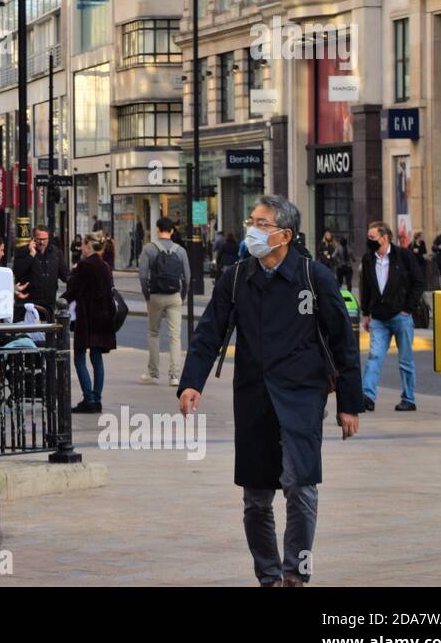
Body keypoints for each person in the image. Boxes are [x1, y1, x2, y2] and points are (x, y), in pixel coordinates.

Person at [178, 195, 363, 587]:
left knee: (300, 487)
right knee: (256, 499)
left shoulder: (315, 277)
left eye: (262, 224)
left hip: (302, 397)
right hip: (254, 398)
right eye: (252, 221)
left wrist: (350, 404)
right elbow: (209, 331)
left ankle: (296, 573)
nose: (253, 229)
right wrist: (191, 382)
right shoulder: (237, 276)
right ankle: (268, 575)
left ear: (285, 235)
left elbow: (343, 343)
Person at [359, 221, 424, 412]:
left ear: (384, 238)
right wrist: (366, 313)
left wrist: (408, 308)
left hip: (400, 316)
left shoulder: (403, 256)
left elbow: (419, 282)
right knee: (374, 356)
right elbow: (366, 287)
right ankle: (367, 396)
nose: (369, 241)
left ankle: (409, 398)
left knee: (405, 359)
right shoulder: (368, 258)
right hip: (378, 317)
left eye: (372, 238)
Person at [62, 231, 116, 413]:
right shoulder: (105, 266)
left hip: (87, 317)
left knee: (79, 357)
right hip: (104, 317)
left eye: (83, 245)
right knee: (96, 358)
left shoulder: (84, 265)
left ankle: (89, 399)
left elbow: (73, 290)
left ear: (88, 245)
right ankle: (97, 398)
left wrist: (59, 302)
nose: (81, 249)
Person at [139, 216, 189, 386]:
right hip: (175, 295)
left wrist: (147, 296)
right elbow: (188, 278)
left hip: (156, 295)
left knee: (153, 333)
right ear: (173, 231)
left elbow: (143, 276)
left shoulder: (149, 249)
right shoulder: (181, 251)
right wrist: (182, 296)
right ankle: (174, 375)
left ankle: (153, 373)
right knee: (175, 336)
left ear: (157, 229)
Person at [12, 225, 69, 320]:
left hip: (48, 303)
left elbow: (65, 275)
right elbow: (17, 271)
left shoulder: (56, 252)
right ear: (33, 238)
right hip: (29, 303)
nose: (42, 242)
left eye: (45, 239)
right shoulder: (22, 251)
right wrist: (31, 255)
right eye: (39, 239)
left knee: (49, 333)